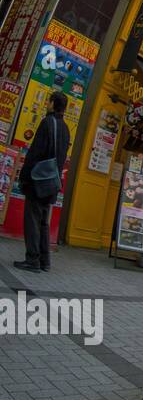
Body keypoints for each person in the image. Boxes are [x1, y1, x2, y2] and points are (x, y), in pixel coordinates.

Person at [14, 91, 70, 272]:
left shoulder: (47, 123)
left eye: (49, 101)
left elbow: (35, 153)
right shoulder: (65, 128)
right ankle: (45, 261)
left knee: (32, 220)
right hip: (52, 183)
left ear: (53, 103)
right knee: (44, 222)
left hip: (39, 181)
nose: (47, 103)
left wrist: (24, 176)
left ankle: (32, 260)